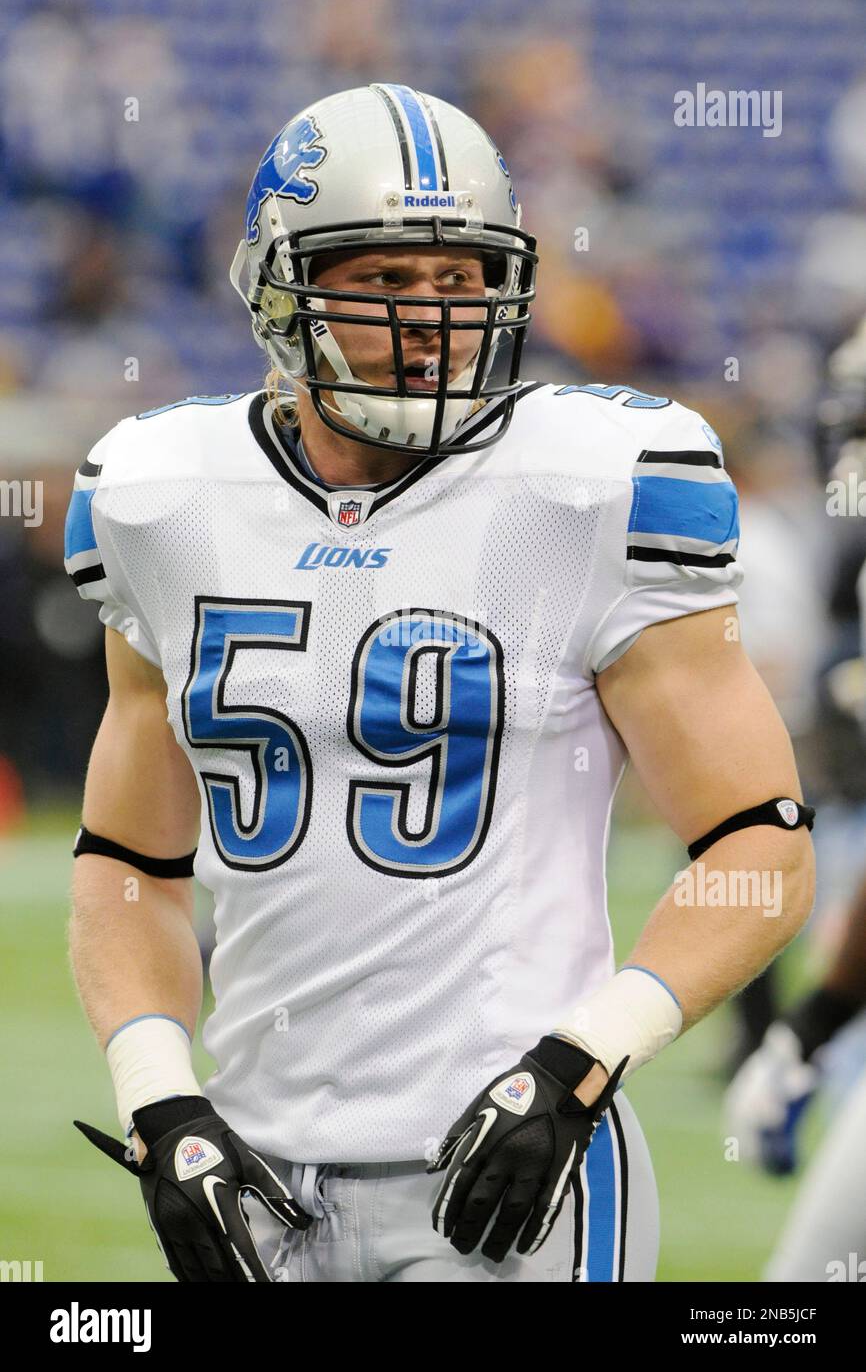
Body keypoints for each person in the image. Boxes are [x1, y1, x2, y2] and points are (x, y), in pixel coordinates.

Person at [65, 84, 815, 1283]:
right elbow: (126, 865)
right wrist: (161, 1102)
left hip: (513, 1168)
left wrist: (578, 1063)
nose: (434, 321)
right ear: (276, 288)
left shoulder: (590, 484)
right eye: (386, 282)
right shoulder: (161, 493)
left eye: (460, 281)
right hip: (251, 1170)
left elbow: (757, 849)